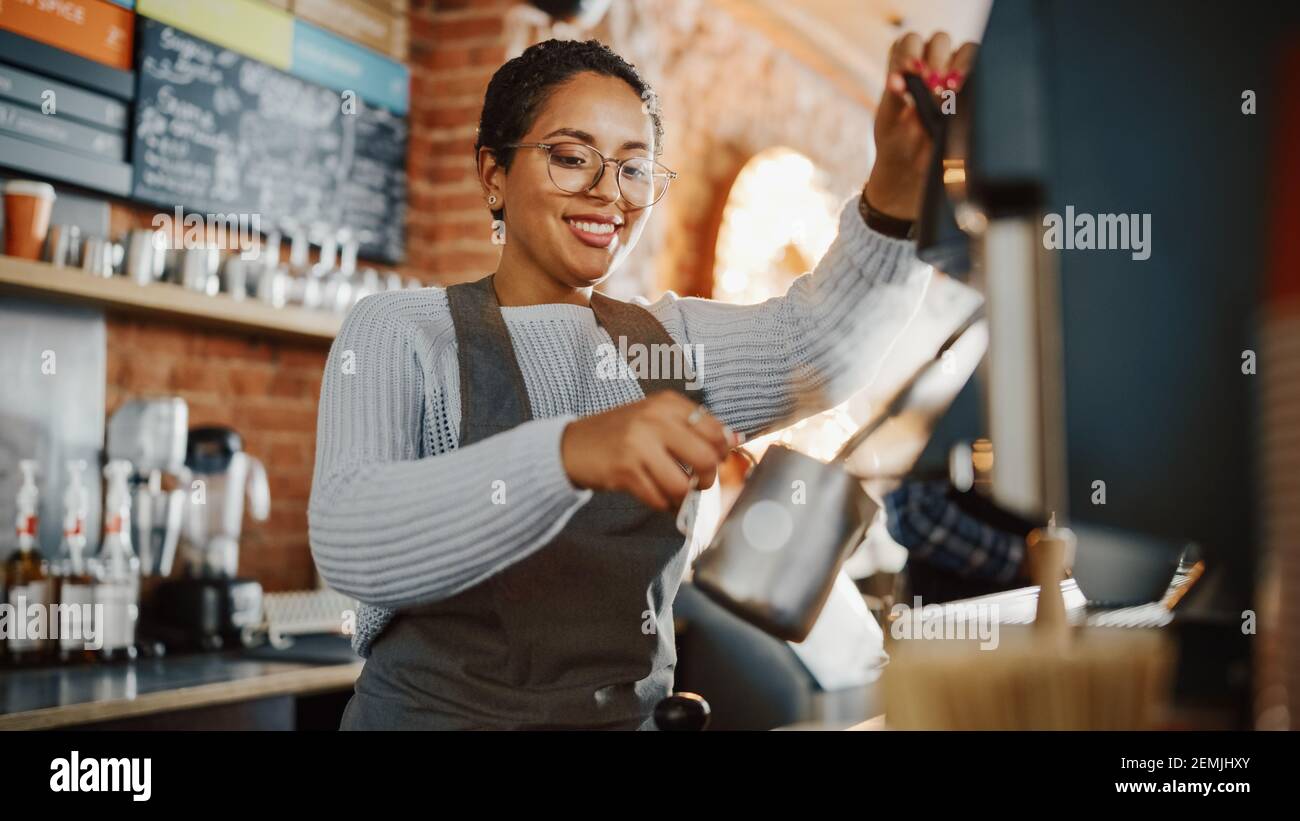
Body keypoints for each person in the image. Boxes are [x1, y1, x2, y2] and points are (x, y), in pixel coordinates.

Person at [309, 32, 976, 729]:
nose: (609, 193)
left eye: (634, 169)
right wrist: (569, 453)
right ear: (493, 173)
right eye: (572, 158)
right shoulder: (400, 330)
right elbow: (352, 540)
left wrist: (899, 185)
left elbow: (820, 344)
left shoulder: (669, 343)